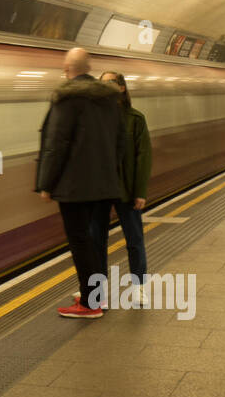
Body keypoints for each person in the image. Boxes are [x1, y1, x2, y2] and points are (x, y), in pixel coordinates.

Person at [35, 48, 124, 318]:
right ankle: (96, 295)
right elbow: (120, 141)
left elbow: (56, 143)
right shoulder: (109, 100)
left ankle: (89, 303)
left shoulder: (67, 98)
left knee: (80, 242)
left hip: (75, 186)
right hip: (105, 183)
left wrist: (46, 183)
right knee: (94, 241)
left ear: (67, 68)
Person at [99, 71, 153, 306]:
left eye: (110, 83)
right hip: (99, 190)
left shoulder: (135, 118)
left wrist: (140, 191)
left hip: (127, 190)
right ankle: (94, 289)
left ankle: (139, 286)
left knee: (134, 239)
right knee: (95, 242)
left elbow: (144, 156)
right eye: (102, 84)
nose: (105, 87)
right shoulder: (95, 118)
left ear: (122, 88)